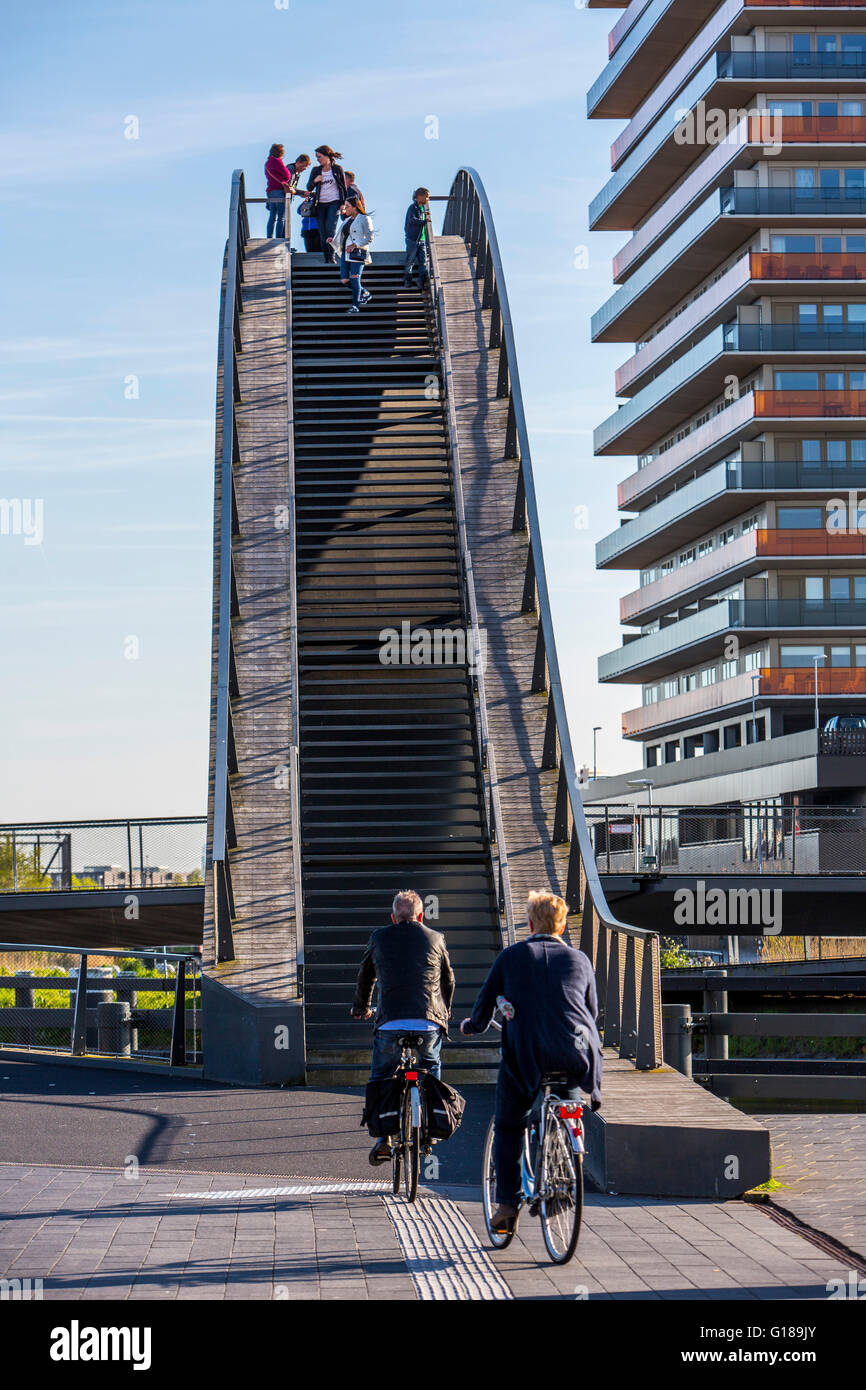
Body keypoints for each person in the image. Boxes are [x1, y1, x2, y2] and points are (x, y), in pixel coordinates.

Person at [460, 890, 603, 1235]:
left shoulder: (511, 957)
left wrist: (472, 1026)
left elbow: (483, 1009)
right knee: (566, 1104)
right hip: (574, 1056)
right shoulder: (580, 960)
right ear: (563, 924)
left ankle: (507, 1204)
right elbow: (592, 1011)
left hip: (526, 1057)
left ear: (529, 923)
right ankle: (561, 1170)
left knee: (510, 1124)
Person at [351, 889, 455, 1164]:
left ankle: (383, 1137)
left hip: (390, 1022)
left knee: (381, 1076)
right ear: (421, 916)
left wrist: (361, 1007)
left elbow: (366, 977)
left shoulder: (379, 937)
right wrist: (443, 1014)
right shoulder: (436, 938)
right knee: (431, 1069)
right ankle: (431, 1128)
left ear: (393, 918)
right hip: (428, 1021)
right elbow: (449, 981)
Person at [330, 195, 374, 313]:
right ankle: (364, 292)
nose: (345, 209)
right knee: (344, 279)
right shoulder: (347, 220)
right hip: (346, 253)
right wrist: (332, 241)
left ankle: (355, 306)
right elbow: (343, 236)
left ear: (355, 207)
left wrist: (355, 245)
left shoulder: (364, 218)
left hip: (357, 252)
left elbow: (370, 237)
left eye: (347, 206)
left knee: (355, 279)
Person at [306, 145, 349, 264]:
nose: (318, 159)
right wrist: (315, 180)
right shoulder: (316, 170)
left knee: (331, 229)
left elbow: (343, 188)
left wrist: (343, 203)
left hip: (334, 203)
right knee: (323, 232)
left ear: (327, 156)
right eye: (317, 157)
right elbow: (309, 187)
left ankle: (332, 256)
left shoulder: (337, 169)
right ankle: (326, 258)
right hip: (320, 204)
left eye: (319, 157)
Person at [264, 147, 311, 240]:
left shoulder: (294, 171)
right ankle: (279, 238)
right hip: (281, 194)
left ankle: (270, 237)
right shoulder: (291, 170)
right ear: (298, 163)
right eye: (303, 166)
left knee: (273, 216)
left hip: (272, 192)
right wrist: (299, 192)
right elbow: (289, 187)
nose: (304, 169)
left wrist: (298, 192)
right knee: (281, 217)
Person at [404, 187, 430, 288]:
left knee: (423, 261)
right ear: (419, 197)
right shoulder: (413, 208)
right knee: (410, 260)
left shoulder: (424, 208)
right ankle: (408, 281)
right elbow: (412, 220)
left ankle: (421, 281)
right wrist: (424, 222)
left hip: (422, 239)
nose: (428, 199)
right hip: (412, 239)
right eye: (427, 197)